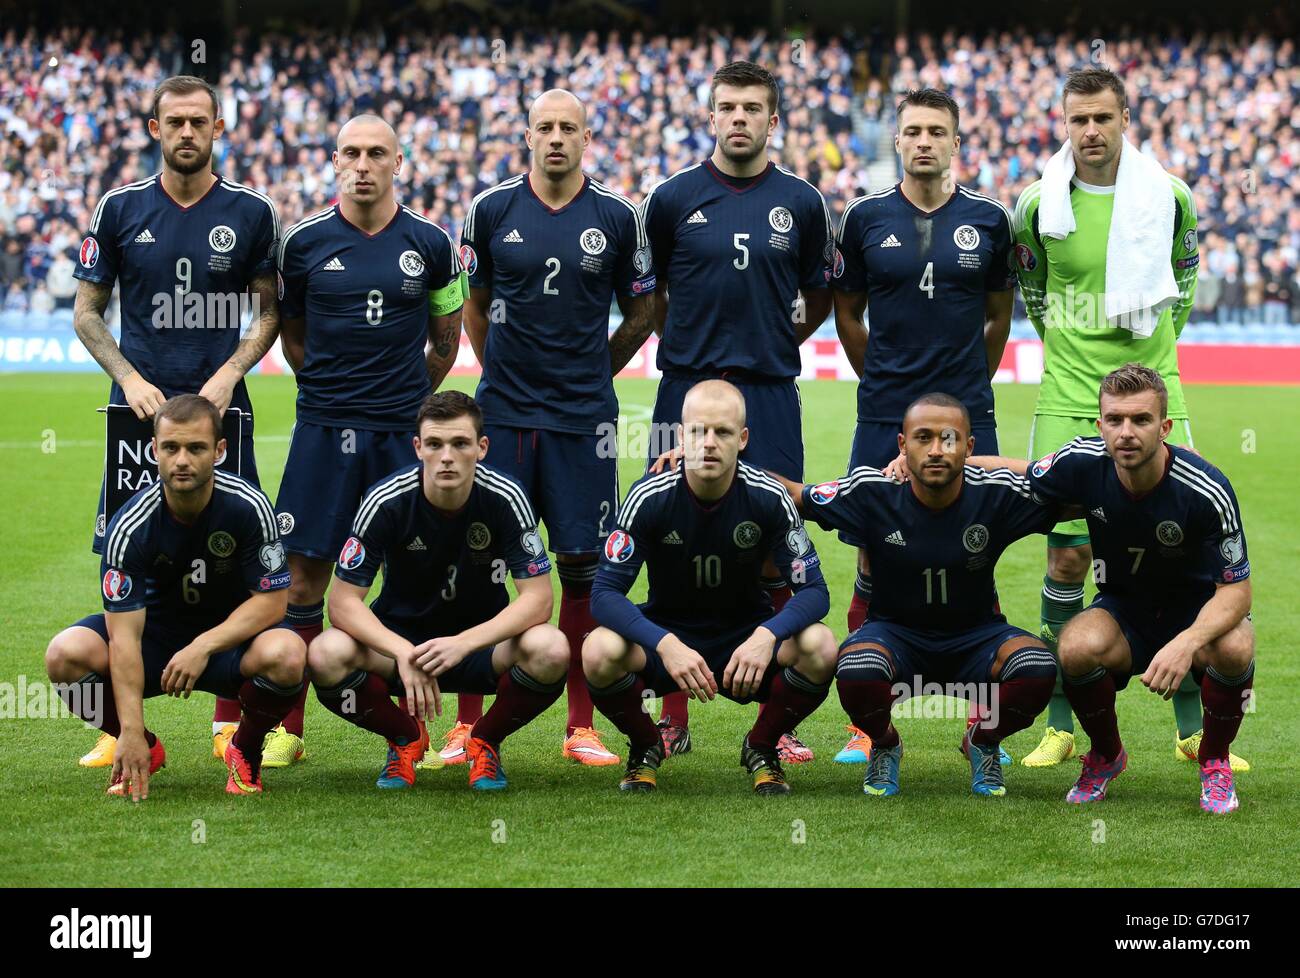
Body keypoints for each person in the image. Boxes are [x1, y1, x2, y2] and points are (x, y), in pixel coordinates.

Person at [1011, 67, 1244, 771]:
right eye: (1078, 119)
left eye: (1102, 118)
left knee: (1181, 557)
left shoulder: (1169, 197)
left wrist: (1148, 358)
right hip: (1068, 395)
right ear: (1063, 121)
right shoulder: (1035, 205)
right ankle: (1061, 726)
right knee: (1067, 556)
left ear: (1123, 119)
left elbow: (1183, 284)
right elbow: (1035, 292)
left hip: (1152, 392)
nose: (1090, 132)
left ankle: (1191, 730)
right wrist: (1073, 353)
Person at [71, 75, 281, 769]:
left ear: (219, 129)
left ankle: (230, 724)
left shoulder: (251, 212)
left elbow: (269, 311)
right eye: (175, 122)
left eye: (199, 121)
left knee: (238, 557)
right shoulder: (120, 207)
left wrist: (229, 374)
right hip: (137, 418)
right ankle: (125, 728)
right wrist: (129, 377)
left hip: (225, 414)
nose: (187, 132)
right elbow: (87, 311)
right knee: (127, 554)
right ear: (154, 129)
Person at [453, 89, 656, 769]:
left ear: (587, 137)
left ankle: (580, 725)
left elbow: (641, 308)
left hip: (582, 421)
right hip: (504, 416)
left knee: (583, 567)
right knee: (483, 561)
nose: (556, 138)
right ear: (528, 135)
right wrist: (499, 372)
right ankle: (466, 722)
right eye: (545, 127)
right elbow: (474, 307)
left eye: (569, 127)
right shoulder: (490, 210)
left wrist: (596, 370)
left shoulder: (617, 216)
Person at [640, 60, 834, 762]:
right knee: (670, 541)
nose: (740, 119)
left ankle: (778, 724)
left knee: (778, 551)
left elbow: (817, 296)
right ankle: (672, 716)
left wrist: (774, 342)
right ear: (710, 116)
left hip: (770, 390)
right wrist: (692, 348)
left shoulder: (804, 203)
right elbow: (652, 293)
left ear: (773, 119)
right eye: (728, 107)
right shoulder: (670, 198)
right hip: (685, 385)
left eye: (754, 108)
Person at [971, 365, 1255, 813]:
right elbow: (1015, 474)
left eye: (1141, 420)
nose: (1126, 433)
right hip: (1124, 609)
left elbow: (1237, 593)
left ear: (1164, 428)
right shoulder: (1082, 463)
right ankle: (1105, 756)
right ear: (1099, 424)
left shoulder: (1206, 488)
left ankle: (1214, 762)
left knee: (1237, 645)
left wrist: (1186, 643)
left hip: (1197, 610)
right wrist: (942, 462)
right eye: (1115, 420)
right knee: (1076, 645)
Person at [272, 113, 464, 767]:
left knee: (414, 576)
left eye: (376, 153)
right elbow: (291, 335)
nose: (362, 164)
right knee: (303, 578)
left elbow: (446, 340)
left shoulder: (432, 243)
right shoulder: (302, 244)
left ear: (398, 162)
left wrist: (407, 399)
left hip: (398, 434)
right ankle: (285, 729)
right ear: (333, 160)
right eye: (350, 152)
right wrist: (331, 390)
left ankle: (411, 733)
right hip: (322, 430)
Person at [831, 86, 1016, 764]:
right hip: (884, 409)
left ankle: (981, 721)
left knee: (976, 544)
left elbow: (999, 314)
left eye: (937, 130)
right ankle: (867, 719)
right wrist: (880, 378)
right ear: (898, 141)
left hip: (966, 409)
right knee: (871, 552)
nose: (924, 141)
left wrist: (967, 393)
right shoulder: (863, 218)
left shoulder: (991, 220)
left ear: (956, 141)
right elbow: (846, 312)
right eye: (913, 131)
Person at [773, 394, 1059, 797]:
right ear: (902, 446)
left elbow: (1073, 494)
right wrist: (721, 463)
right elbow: (797, 496)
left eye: (949, 438)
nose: (937, 450)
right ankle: (885, 744)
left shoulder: (995, 493)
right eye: (923, 438)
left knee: (1037, 667)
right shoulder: (873, 491)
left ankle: (983, 740)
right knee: (856, 669)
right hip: (895, 638)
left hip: (977, 638)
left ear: (970, 447)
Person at [44, 395, 305, 800]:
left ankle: (245, 750)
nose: (182, 460)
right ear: (154, 451)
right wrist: (129, 731)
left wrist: (203, 646)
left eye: (196, 448)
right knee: (64, 654)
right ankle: (144, 747)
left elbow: (272, 602)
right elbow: (125, 637)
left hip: (227, 643)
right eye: (171, 448)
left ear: (219, 451)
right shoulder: (131, 525)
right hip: (155, 642)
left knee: (289, 654)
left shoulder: (249, 506)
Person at [306, 391, 569, 791]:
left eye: (460, 443)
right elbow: (341, 602)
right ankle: (404, 739)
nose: (447, 456)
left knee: (551, 649)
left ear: (481, 448)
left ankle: (484, 741)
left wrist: (464, 643)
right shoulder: (385, 500)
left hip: (480, 644)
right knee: (326, 653)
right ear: (418, 448)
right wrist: (400, 651)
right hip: (402, 644)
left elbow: (539, 598)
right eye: (435, 444)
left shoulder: (506, 496)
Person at [584, 380, 837, 795]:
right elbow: (604, 595)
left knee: (820, 646)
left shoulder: (769, 496)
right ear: (681, 436)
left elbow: (815, 592)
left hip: (746, 640)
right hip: (668, 637)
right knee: (598, 649)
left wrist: (766, 635)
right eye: (699, 431)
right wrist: (664, 643)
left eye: (722, 432)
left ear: (743, 439)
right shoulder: (648, 495)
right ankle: (646, 746)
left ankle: (761, 746)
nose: (709, 443)